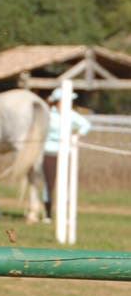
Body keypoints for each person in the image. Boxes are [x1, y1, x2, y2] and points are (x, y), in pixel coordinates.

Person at [42, 86, 91, 222]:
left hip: (66, 153)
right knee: (49, 184)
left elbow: (86, 125)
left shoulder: (70, 114)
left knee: (67, 184)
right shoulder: (48, 114)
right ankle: (47, 214)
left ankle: (65, 213)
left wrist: (75, 137)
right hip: (49, 152)